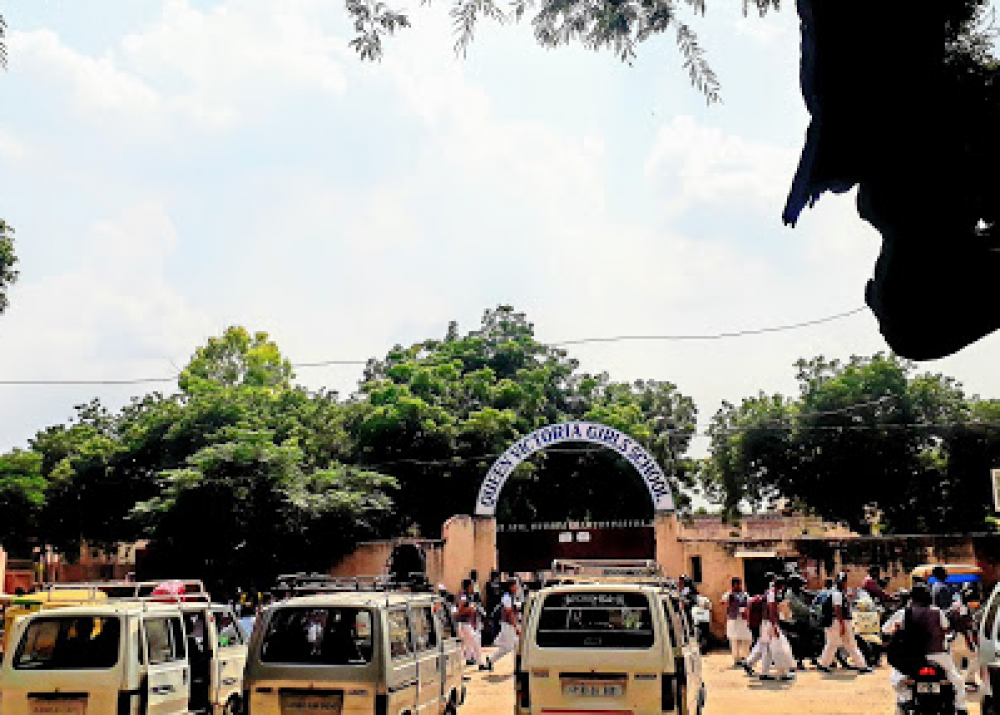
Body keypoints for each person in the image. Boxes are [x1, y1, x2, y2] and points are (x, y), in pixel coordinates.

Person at [884, 582, 968, 714]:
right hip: (938, 655)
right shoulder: (937, 612)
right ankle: (961, 707)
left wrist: (898, 630)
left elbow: (886, 629)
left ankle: (905, 699)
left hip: (912, 658)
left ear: (912, 598)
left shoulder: (903, 613)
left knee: (898, 679)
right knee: (957, 681)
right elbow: (946, 629)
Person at [817, 572, 871, 674]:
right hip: (838, 622)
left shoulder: (838, 593)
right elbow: (837, 609)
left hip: (840, 621)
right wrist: (842, 625)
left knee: (844, 644)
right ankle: (861, 666)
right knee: (836, 644)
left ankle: (861, 666)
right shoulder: (837, 593)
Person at [744, 575, 795, 681]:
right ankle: (782, 672)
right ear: (782, 586)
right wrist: (774, 626)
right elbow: (771, 611)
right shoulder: (772, 594)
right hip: (769, 623)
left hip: (766, 624)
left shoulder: (770, 593)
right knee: (778, 647)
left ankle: (757, 668)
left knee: (765, 647)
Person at [484, 580, 519, 671]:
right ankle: (491, 659)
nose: (517, 588)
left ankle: (518, 666)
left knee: (517, 644)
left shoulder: (512, 597)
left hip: (510, 625)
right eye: (515, 586)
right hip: (508, 625)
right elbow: (509, 613)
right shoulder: (507, 597)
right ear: (511, 587)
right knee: (508, 648)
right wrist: (515, 627)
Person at [782, 574, 814, 670]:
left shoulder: (799, 591)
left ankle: (813, 657)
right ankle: (799, 661)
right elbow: (798, 606)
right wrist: (811, 611)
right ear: (794, 585)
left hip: (802, 618)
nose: (801, 586)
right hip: (794, 620)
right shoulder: (790, 594)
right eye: (799, 584)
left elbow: (810, 594)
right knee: (802, 640)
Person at [720, 577, 752, 666]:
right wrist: (729, 600)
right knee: (734, 639)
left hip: (744, 619)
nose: (739, 586)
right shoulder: (729, 594)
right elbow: (722, 602)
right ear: (733, 585)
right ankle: (736, 659)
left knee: (747, 638)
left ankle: (745, 657)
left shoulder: (745, 594)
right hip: (733, 619)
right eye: (737, 584)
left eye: (740, 584)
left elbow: (749, 603)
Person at [456, 579, 485, 669]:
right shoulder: (464, 597)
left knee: (467, 643)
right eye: (472, 586)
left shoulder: (469, 596)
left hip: (466, 623)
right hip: (463, 623)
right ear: (468, 587)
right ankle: (480, 663)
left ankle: (468, 659)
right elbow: (459, 611)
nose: (473, 588)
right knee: (475, 641)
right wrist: (470, 609)